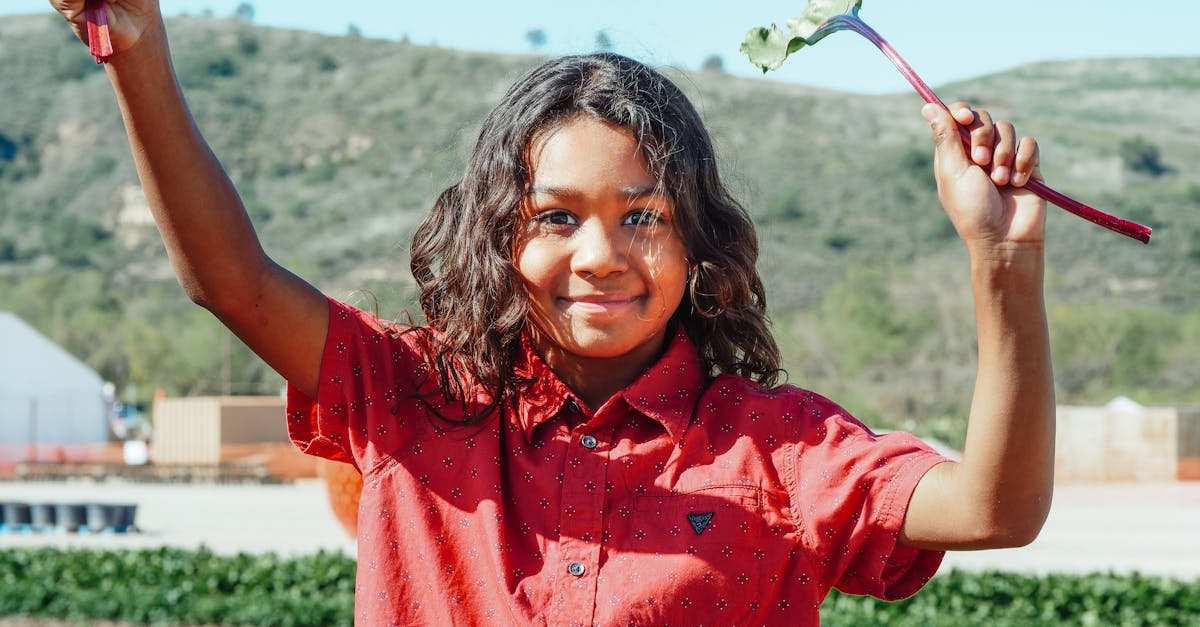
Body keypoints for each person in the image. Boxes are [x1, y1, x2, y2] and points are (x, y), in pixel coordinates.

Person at [53, 1, 1055, 624]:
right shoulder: (410, 400)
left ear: (698, 239)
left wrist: (1002, 262)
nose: (600, 255)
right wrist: (139, 54)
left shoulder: (780, 451)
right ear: (498, 237)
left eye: (644, 216)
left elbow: (995, 511)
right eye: (554, 217)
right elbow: (229, 283)